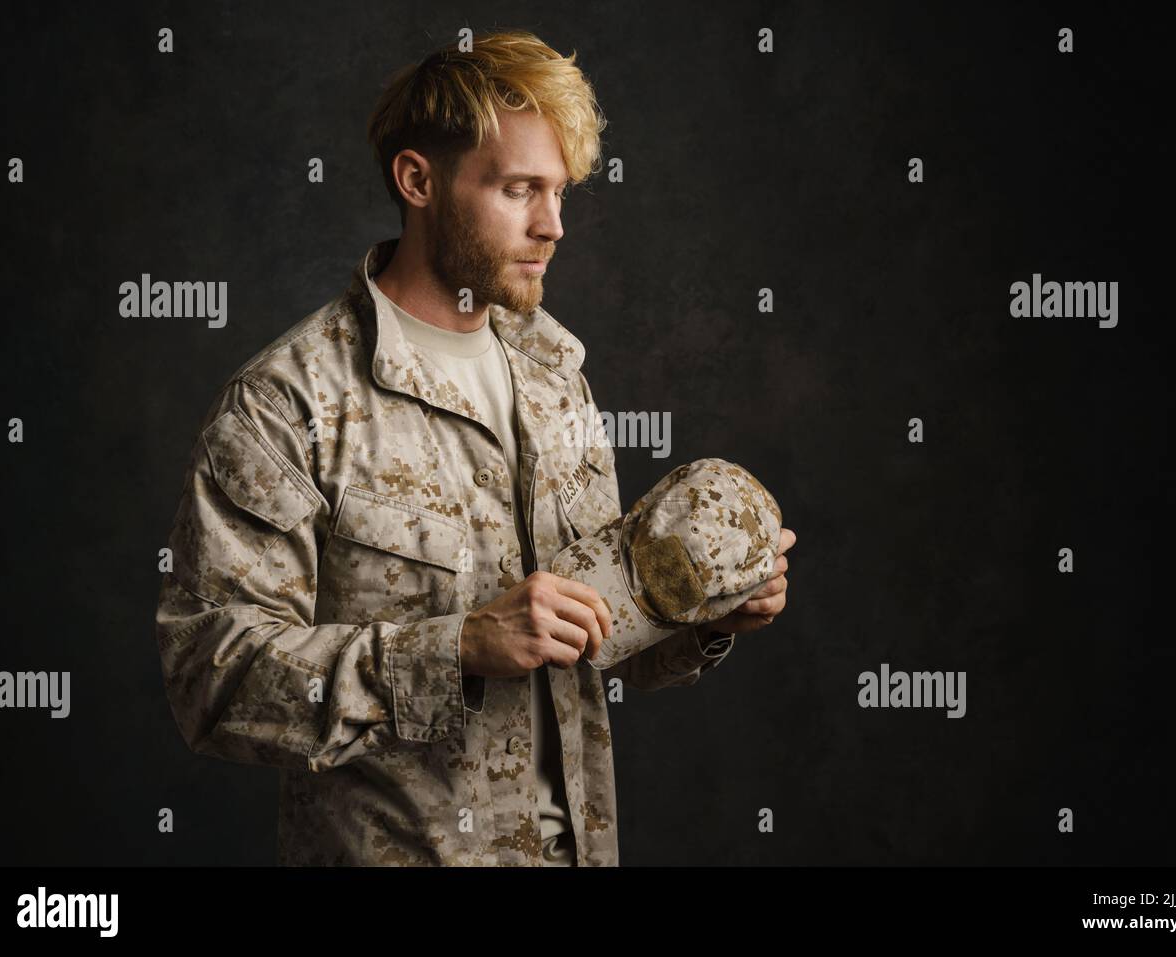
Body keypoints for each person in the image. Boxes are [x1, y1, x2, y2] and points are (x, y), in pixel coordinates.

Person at [154, 29, 794, 866]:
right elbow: (212, 677)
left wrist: (706, 610)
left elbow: (605, 636)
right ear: (418, 180)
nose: (553, 225)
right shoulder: (289, 402)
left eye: (560, 193)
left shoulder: (554, 372)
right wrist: (452, 648)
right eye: (520, 189)